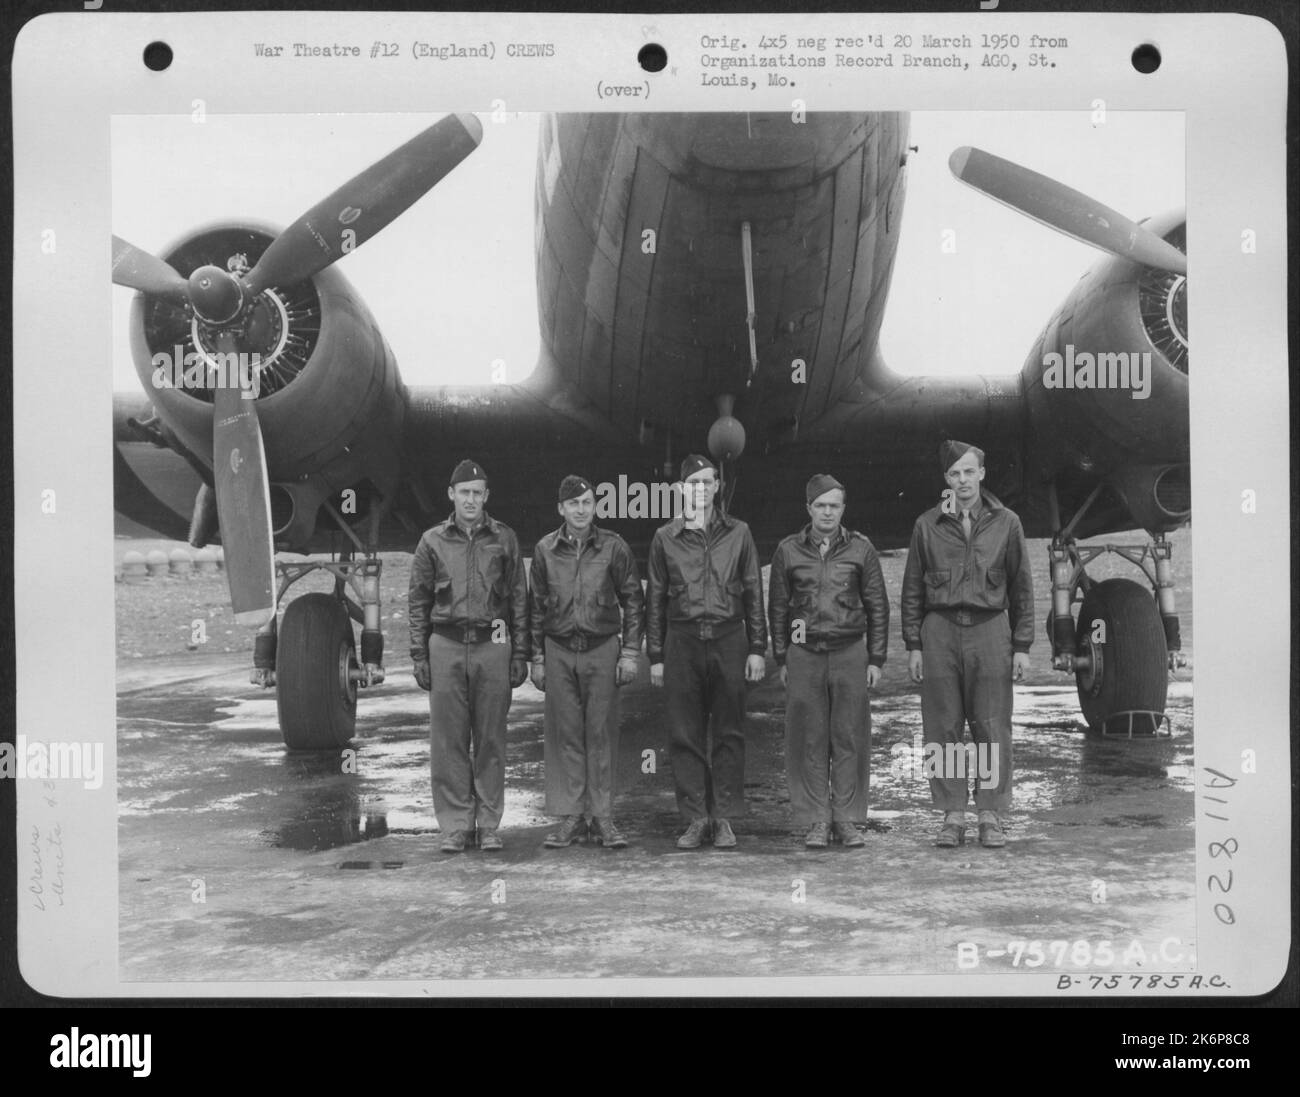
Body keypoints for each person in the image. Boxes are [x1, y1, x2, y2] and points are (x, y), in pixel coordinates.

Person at [901, 441, 1034, 849]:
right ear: (947, 480)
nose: (962, 480)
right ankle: (952, 813)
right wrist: (914, 645)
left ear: (981, 474)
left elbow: (1021, 586)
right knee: (942, 727)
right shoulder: (927, 525)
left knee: (992, 725)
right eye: (955, 474)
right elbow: (911, 591)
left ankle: (990, 814)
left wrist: (1023, 644)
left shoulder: (1007, 523)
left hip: (990, 629)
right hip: (939, 630)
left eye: (969, 472)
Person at [647, 455, 767, 850]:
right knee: (685, 731)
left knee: (729, 729)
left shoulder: (740, 533)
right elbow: (656, 599)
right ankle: (697, 817)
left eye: (707, 481)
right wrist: (657, 657)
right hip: (682, 640)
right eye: (692, 482)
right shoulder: (666, 537)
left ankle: (725, 818)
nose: (700, 489)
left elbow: (753, 591)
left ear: (717, 486)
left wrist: (756, 648)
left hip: (729, 637)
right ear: (681, 489)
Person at [408, 459, 529, 854]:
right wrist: (419, 655)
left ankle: (489, 824)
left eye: (478, 493)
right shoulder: (431, 541)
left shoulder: (505, 539)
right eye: (465, 493)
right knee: (449, 741)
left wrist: (520, 653)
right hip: (444, 642)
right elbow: (418, 601)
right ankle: (457, 824)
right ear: (452, 495)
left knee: (492, 737)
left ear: (487, 497)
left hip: (493, 642)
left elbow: (518, 600)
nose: (471, 500)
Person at [769, 474, 889, 849]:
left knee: (849, 735)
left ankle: (847, 819)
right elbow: (778, 608)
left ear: (843, 509)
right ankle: (817, 818)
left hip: (849, 649)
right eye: (820, 505)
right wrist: (784, 655)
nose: (827, 512)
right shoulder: (788, 550)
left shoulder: (861, 550)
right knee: (809, 736)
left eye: (834, 506)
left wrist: (876, 657)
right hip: (805, 652)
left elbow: (877, 606)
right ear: (808, 509)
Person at [529, 475, 644, 850]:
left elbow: (633, 599)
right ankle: (573, 817)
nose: (581, 510)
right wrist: (537, 659)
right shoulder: (545, 550)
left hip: (601, 648)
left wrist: (629, 653)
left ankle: (603, 818)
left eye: (587, 503)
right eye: (573, 504)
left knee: (601, 734)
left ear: (595, 507)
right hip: (559, 648)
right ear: (560, 508)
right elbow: (535, 607)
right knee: (567, 735)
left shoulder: (614, 547)